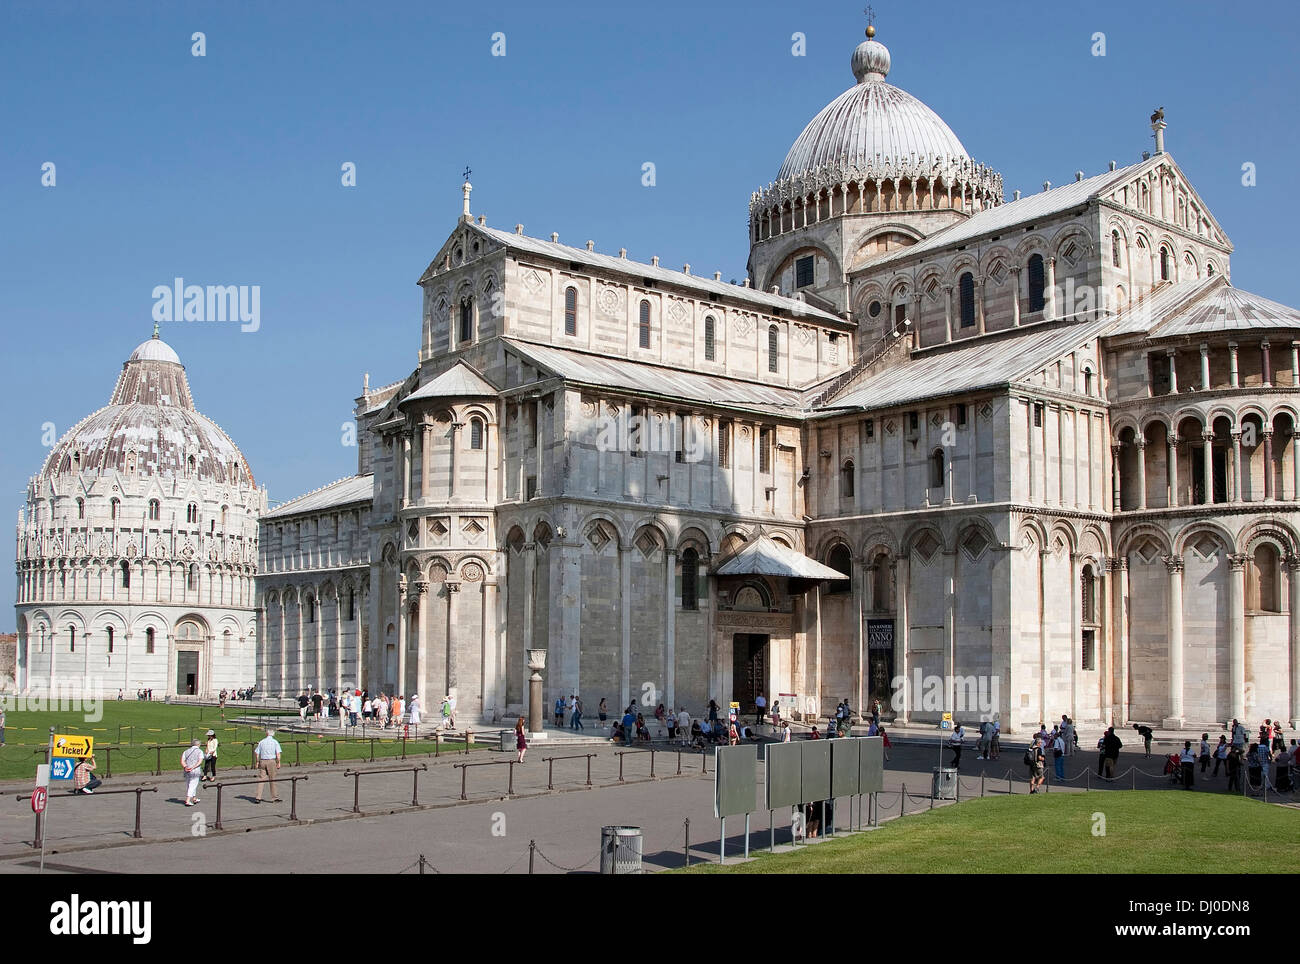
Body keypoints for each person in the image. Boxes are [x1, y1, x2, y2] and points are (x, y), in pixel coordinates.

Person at [254, 729, 283, 803]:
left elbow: (257, 753)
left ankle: (258, 797)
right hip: (271, 761)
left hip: (262, 761)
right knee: (272, 779)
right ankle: (274, 797)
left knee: (261, 779)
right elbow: (278, 754)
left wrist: (257, 762)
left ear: (267, 734)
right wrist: (278, 762)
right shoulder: (275, 742)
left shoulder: (261, 742)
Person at [181, 739, 204, 806]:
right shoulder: (200, 751)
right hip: (195, 771)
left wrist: (185, 767)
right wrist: (193, 767)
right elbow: (200, 761)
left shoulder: (186, 751)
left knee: (189, 784)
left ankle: (194, 798)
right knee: (193, 785)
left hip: (187, 770)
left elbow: (182, 761)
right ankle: (188, 800)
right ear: (198, 744)